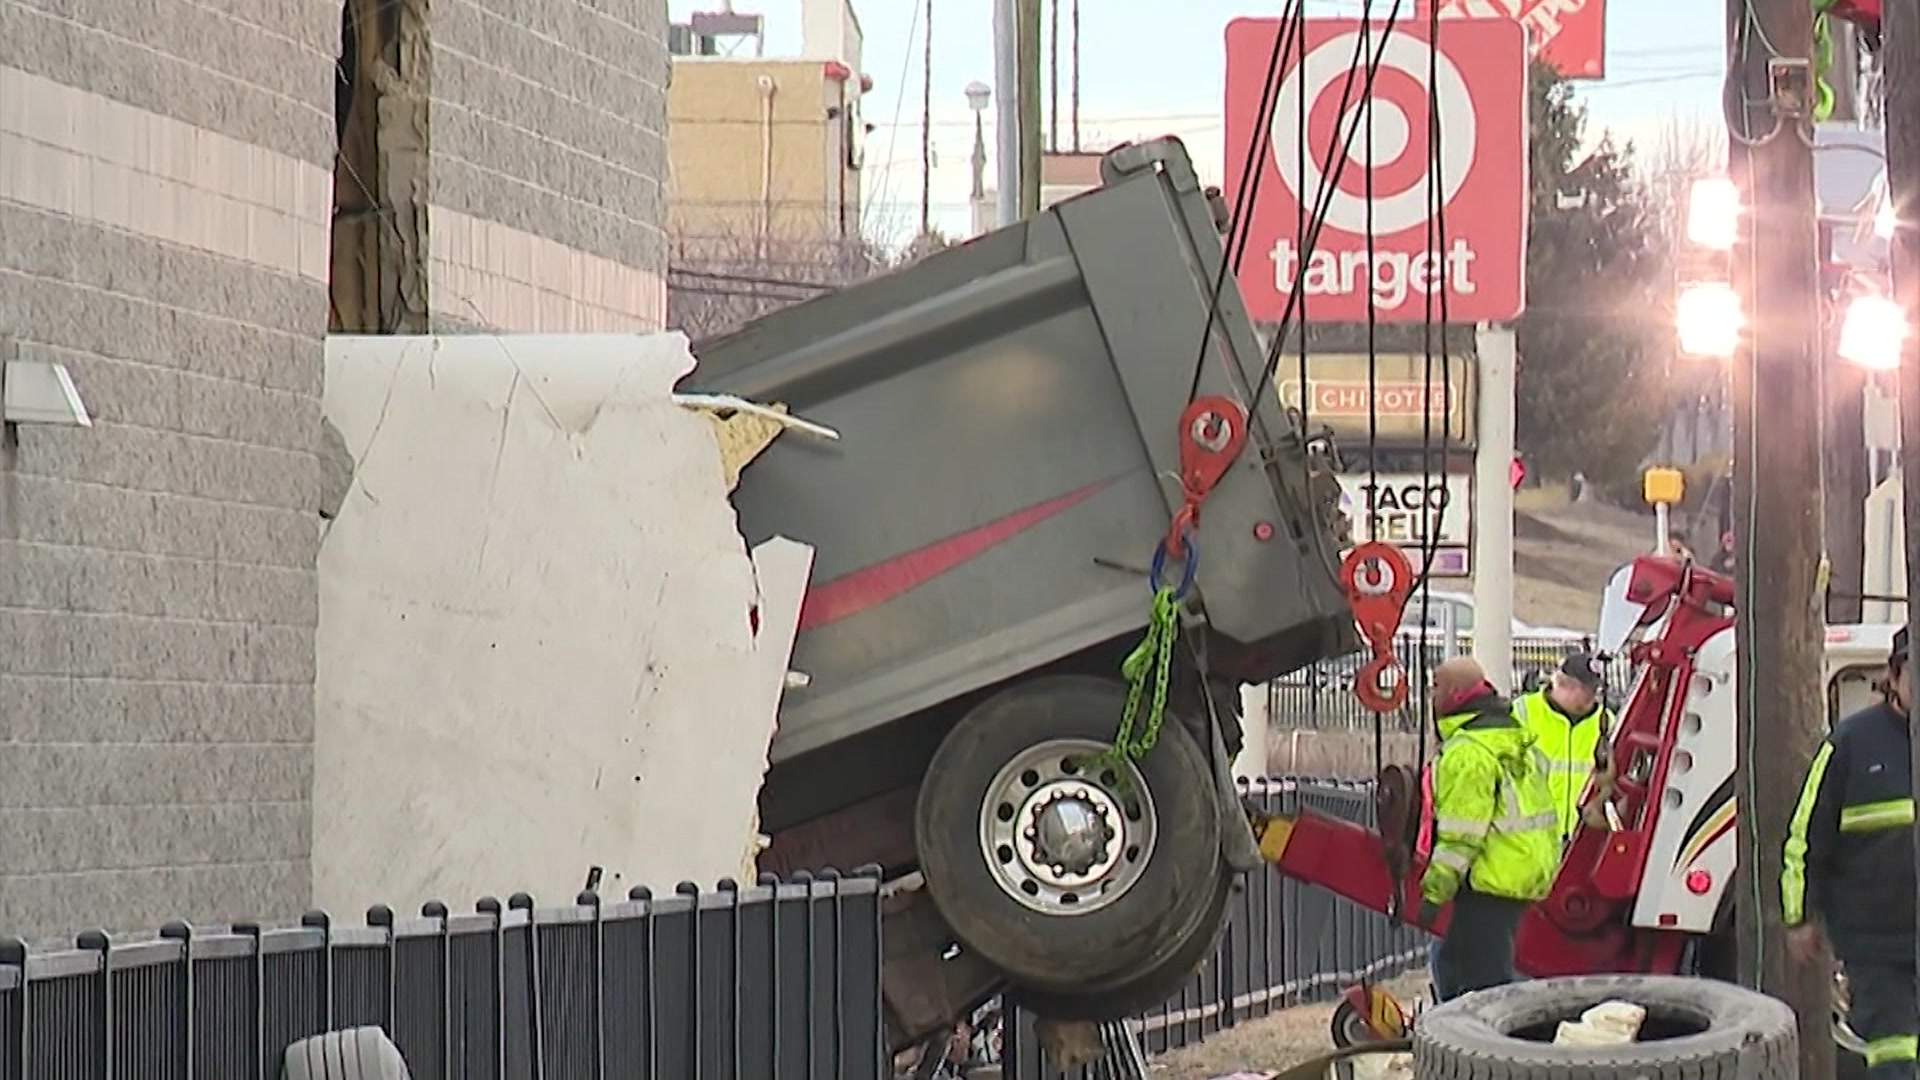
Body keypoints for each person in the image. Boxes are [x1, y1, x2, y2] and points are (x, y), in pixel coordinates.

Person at [1783, 627, 1916, 1080]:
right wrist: (1799, 917)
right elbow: (1805, 839)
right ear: (1895, 676)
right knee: (1895, 1053)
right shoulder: (1850, 743)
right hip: (1875, 940)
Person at [1418, 656, 1562, 1003]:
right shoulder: (1514, 737)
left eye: (1435, 687)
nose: (1429, 695)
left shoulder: (1468, 753)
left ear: (1454, 693)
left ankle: (1485, 1050)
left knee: (1473, 980)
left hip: (1486, 882)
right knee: (1471, 965)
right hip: (1518, 874)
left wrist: (1433, 892)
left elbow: (1461, 837)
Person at [1513, 653, 1614, 843]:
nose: (1590, 696)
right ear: (1561, 683)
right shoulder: (1522, 713)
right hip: (1528, 839)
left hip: (1581, 839)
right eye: (1585, 689)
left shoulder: (1606, 721)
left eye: (1595, 689)